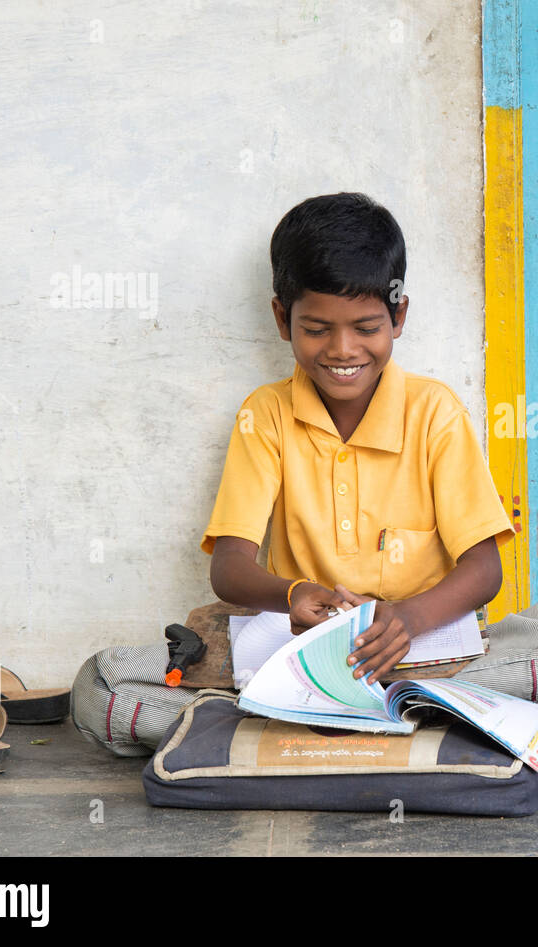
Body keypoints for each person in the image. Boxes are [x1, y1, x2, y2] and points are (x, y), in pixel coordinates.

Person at [200, 192, 516, 685]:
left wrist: (408, 618)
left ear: (398, 316)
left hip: (421, 645)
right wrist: (293, 595)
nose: (342, 350)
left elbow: (484, 568)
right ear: (283, 319)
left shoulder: (435, 411)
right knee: (126, 677)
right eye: (317, 329)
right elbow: (229, 567)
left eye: (366, 327)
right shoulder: (266, 414)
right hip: (309, 647)